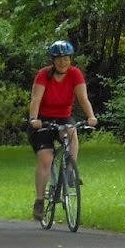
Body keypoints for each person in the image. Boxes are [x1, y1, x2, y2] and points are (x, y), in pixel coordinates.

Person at [27, 40, 97, 221]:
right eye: (59, 59)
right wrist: (34, 119)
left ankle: (69, 170)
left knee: (72, 133)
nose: (63, 62)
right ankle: (40, 201)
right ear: (53, 60)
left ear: (70, 59)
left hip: (63, 117)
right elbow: (35, 99)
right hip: (42, 120)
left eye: (66, 58)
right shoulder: (43, 75)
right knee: (46, 158)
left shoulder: (75, 74)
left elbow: (83, 98)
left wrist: (91, 116)